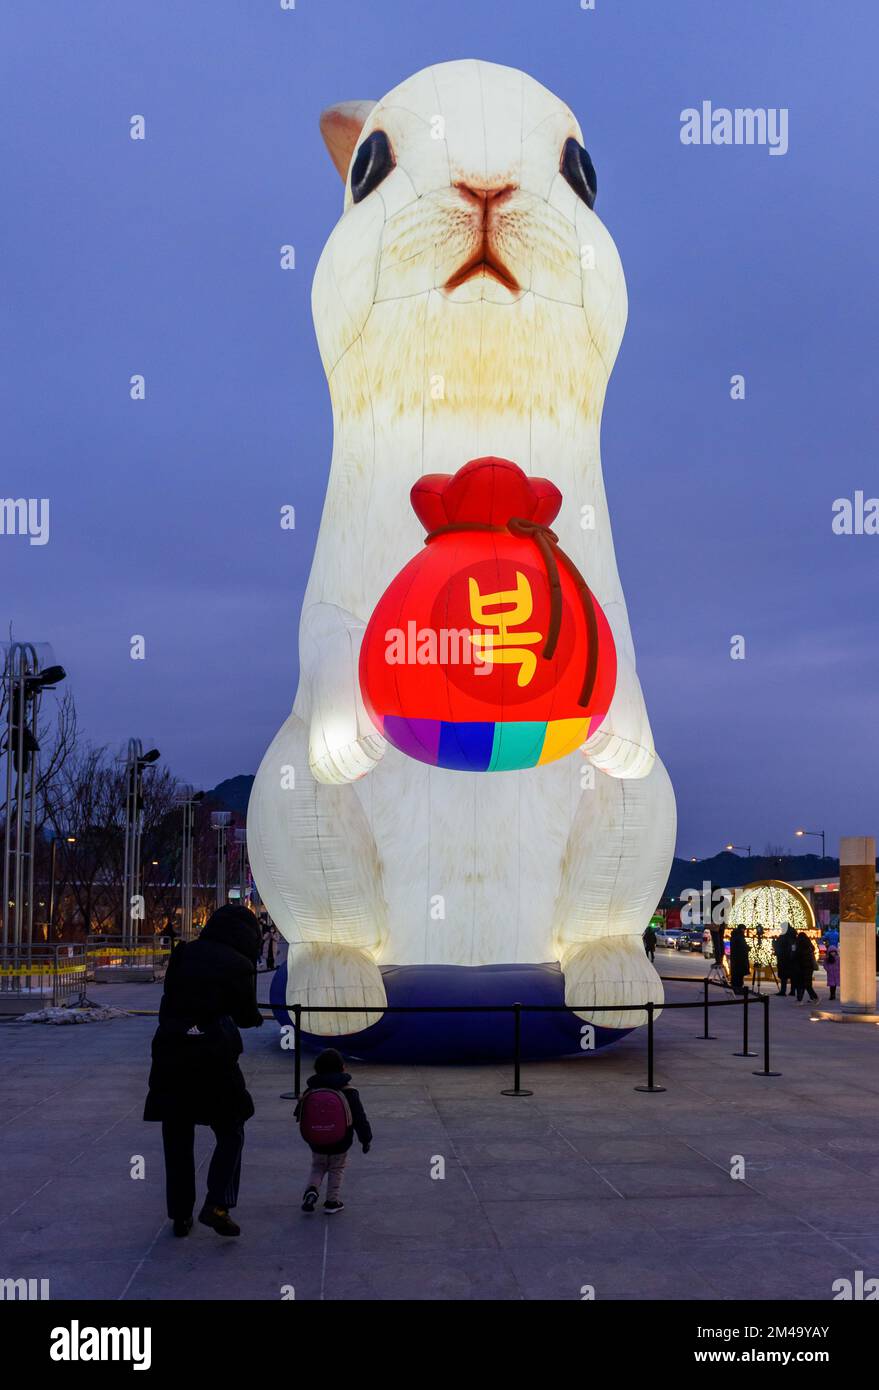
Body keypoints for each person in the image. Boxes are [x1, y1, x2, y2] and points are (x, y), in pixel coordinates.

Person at [143, 904, 264, 1238]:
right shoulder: (240, 964)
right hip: (214, 1059)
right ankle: (217, 1203)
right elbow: (244, 1015)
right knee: (232, 1128)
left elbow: (171, 998)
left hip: (171, 1054)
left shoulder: (185, 953)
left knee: (177, 1138)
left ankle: (180, 1215)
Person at [296, 1048, 372, 1215]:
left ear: (317, 1069)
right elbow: (359, 1118)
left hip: (316, 1140)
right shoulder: (349, 1091)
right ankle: (332, 1201)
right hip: (341, 1140)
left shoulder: (310, 1090)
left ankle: (312, 1190)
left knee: (318, 1166)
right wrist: (365, 1139)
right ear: (343, 1068)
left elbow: (299, 1114)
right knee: (336, 1168)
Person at [793, 930, 818, 1004]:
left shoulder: (798, 945)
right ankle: (813, 998)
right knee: (807, 984)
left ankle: (801, 999)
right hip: (809, 967)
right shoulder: (809, 945)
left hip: (801, 967)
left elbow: (794, 956)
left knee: (801, 984)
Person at [773, 922, 797, 997]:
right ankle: (792, 991)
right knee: (792, 975)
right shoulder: (793, 935)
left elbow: (779, 946)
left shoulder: (784, 936)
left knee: (783, 976)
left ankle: (783, 991)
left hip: (783, 958)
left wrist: (774, 942)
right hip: (792, 959)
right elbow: (793, 946)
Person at [729, 924, 750, 995]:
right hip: (740, 960)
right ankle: (738, 989)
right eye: (744, 929)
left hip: (736, 959)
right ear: (742, 929)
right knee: (739, 975)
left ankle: (736, 988)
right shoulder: (739, 936)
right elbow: (741, 947)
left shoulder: (735, 936)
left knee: (736, 975)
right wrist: (747, 948)